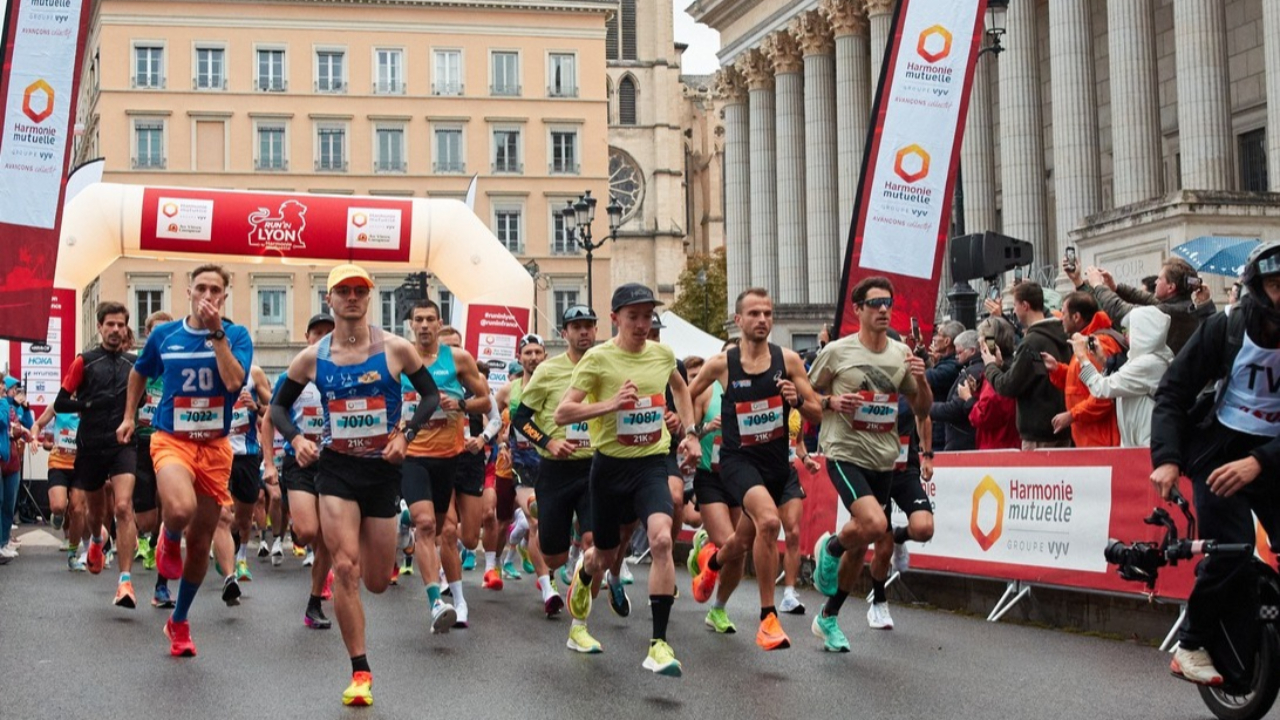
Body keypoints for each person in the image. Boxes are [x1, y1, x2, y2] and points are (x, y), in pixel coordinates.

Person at [269, 264, 441, 706]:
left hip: (382, 471)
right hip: (337, 470)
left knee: (379, 580)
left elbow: (431, 396)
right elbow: (278, 408)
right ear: (330, 299)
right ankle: (360, 671)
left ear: (369, 296)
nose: (351, 297)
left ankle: (385, 546)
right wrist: (297, 440)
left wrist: (406, 435)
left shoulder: (396, 349)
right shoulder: (312, 358)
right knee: (345, 568)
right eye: (343, 291)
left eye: (359, 290)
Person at [1150, 241, 1280, 687]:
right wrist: (1166, 460)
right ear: (1258, 290)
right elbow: (1172, 393)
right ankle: (1191, 643)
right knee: (1233, 549)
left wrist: (1260, 461)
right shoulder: (1224, 330)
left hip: (1271, 456)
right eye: (1278, 285)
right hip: (1220, 454)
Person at [556, 282, 701, 676]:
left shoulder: (662, 354)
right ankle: (581, 605)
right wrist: (611, 404)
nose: (642, 324)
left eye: (647, 316)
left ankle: (658, 645)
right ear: (615, 318)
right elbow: (563, 414)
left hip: (651, 464)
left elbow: (680, 387)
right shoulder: (598, 359)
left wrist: (689, 432)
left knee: (662, 538)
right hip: (608, 468)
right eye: (633, 317)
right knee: (602, 557)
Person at [117, 264, 253, 655]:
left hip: (214, 446)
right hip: (171, 438)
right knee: (178, 508)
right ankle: (167, 536)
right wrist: (129, 416)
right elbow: (139, 373)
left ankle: (178, 621)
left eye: (216, 290)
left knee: (201, 543)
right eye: (201, 289)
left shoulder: (237, 335)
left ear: (225, 296)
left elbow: (232, 382)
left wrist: (217, 336)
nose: (208, 296)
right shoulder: (165, 335)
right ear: (189, 293)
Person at [686, 287, 821, 651]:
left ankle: (711, 561)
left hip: (774, 465)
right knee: (769, 523)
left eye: (767, 313)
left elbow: (817, 411)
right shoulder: (721, 364)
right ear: (739, 320)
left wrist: (798, 400)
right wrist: (690, 433)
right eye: (755, 314)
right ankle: (767, 619)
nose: (762, 320)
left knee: (743, 541)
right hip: (736, 462)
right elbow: (686, 393)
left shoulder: (789, 361)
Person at [806, 276, 932, 653]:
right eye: (874, 303)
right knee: (876, 526)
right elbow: (808, 393)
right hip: (844, 453)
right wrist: (830, 403)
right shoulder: (837, 352)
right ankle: (829, 548)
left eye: (887, 303)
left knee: (860, 547)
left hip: (884, 459)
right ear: (858, 309)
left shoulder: (900, 355)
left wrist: (922, 381)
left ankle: (828, 617)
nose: (882, 309)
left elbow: (922, 409)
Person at [512, 304, 604, 651]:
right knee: (553, 556)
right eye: (576, 326)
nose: (583, 332)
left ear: (596, 331)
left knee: (596, 544)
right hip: (555, 470)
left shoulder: (606, 365)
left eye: (589, 326)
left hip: (595, 467)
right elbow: (522, 419)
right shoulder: (548, 371)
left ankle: (581, 624)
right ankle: (539, 529)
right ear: (564, 333)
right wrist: (549, 441)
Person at [400, 298, 491, 632]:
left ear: (439, 324)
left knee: (449, 533)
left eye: (430, 319)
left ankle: (459, 598)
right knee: (425, 526)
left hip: (449, 458)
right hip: (413, 456)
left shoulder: (458, 359)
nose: (424, 325)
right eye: (418, 319)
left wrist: (462, 403)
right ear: (411, 325)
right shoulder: (400, 359)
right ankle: (436, 603)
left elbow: (486, 401)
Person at [56, 301, 140, 605]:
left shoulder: (135, 364)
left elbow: (144, 400)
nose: (115, 330)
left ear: (125, 327)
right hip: (90, 445)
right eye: (110, 325)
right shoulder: (85, 362)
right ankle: (95, 540)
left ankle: (125, 582)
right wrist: (88, 405)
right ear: (100, 327)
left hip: (122, 444)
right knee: (95, 512)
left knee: (122, 507)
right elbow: (61, 402)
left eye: (120, 325)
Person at [263, 313, 335, 629]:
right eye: (316, 332)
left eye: (328, 333)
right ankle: (296, 528)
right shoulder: (293, 374)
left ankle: (314, 602)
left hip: (335, 462)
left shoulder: (346, 371)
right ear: (306, 336)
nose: (321, 338)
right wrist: (269, 463)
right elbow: (268, 419)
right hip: (300, 461)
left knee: (328, 538)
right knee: (308, 532)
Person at [981, 282, 1071, 450]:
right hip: (1060, 428)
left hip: (1039, 433)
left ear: (1025, 305)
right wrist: (1002, 367)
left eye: (1014, 305)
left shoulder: (1032, 342)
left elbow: (1008, 387)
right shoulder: (1058, 335)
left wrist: (991, 366)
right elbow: (1034, 375)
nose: (1014, 311)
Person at [1069, 256, 1211, 355]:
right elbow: (1146, 298)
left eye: (1160, 279)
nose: (1155, 282)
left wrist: (1098, 285)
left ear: (1171, 287)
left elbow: (1120, 310)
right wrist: (1116, 287)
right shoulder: (1184, 307)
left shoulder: (1166, 311)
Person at [1075, 306, 1172, 449]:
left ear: (1143, 332)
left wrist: (1083, 358)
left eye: (1129, 330)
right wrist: (1102, 360)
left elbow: (1102, 389)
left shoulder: (1149, 363)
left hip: (1147, 442)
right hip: (1140, 439)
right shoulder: (1150, 358)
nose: (1125, 335)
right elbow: (1123, 381)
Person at [1041, 292, 1122, 448]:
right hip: (1093, 439)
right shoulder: (1088, 341)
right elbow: (1082, 383)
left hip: (1100, 441)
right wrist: (1057, 369)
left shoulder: (1094, 344)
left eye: (1063, 313)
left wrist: (1071, 415)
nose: (1060, 318)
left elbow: (1103, 397)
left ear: (1076, 317)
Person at [967, 317, 1021, 451]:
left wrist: (968, 399)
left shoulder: (995, 373)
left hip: (996, 445)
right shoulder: (1010, 366)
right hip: (1008, 441)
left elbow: (985, 415)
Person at [928, 329, 982, 451]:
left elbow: (955, 409)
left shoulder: (971, 373)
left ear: (972, 351)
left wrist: (927, 408)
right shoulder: (968, 369)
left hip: (962, 439)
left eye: (959, 352)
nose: (956, 356)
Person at [0, 379, 33, 562]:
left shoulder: (15, 408)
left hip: (12, 459)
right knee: (1, 500)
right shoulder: (5, 405)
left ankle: (4, 542)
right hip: (4, 456)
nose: (12, 392)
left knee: (8, 504)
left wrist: (26, 408)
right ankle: (2, 542)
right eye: (11, 388)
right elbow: (6, 426)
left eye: (12, 389)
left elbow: (27, 424)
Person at [924, 321, 965, 451]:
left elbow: (926, 378)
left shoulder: (951, 367)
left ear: (947, 341)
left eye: (939, 335)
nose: (934, 338)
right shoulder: (948, 364)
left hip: (940, 431)